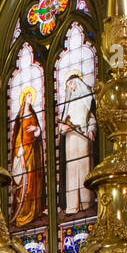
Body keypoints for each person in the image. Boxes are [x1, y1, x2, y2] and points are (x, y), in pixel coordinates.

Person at [58, 72, 95, 215]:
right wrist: (63, 128)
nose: (71, 88)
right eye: (68, 86)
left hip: (83, 137)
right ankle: (72, 204)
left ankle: (86, 201)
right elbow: (62, 123)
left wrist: (92, 130)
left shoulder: (86, 100)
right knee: (72, 170)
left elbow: (92, 118)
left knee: (84, 168)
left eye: (72, 84)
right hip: (70, 140)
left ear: (77, 82)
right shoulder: (68, 105)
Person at [9, 89, 45, 227]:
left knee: (35, 179)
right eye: (28, 96)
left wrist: (36, 130)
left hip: (34, 151)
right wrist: (20, 152)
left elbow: (38, 131)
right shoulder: (20, 117)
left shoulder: (33, 114)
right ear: (24, 98)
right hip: (24, 152)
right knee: (26, 183)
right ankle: (23, 212)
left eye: (31, 96)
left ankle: (35, 211)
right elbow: (18, 137)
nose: (30, 98)